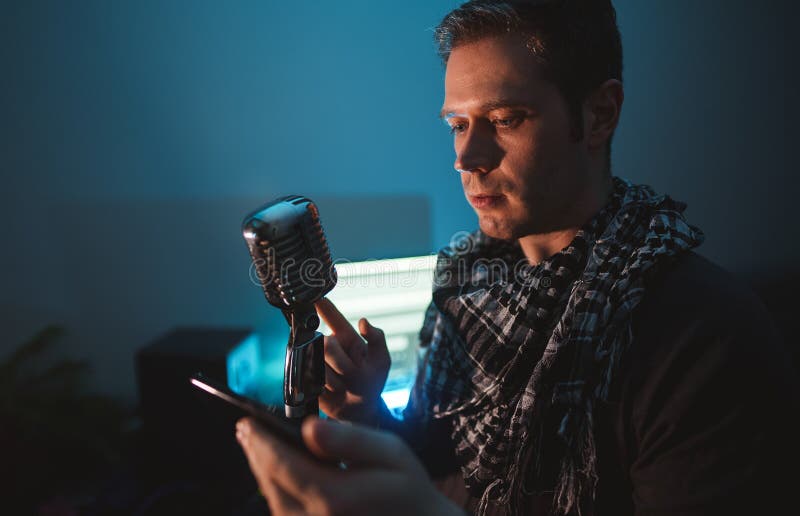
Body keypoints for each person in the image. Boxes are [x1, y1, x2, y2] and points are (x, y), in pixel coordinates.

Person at [235, 1, 799, 514]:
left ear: (599, 115)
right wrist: (366, 412)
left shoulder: (705, 340)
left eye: (505, 120)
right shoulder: (463, 284)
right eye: (458, 125)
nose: (467, 156)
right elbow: (438, 465)